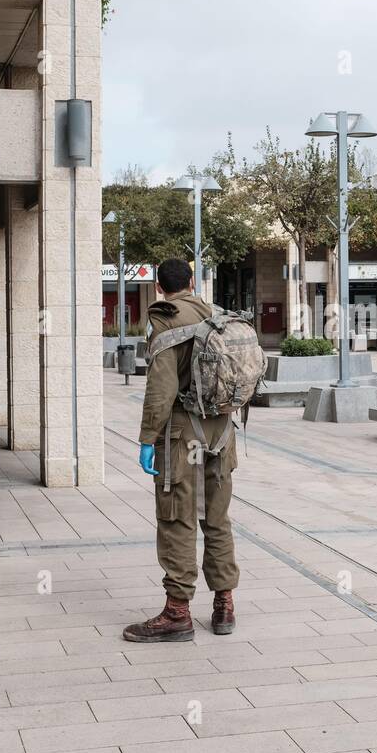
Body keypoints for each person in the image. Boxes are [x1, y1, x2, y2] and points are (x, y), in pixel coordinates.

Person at [125, 258, 239, 643]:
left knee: (177, 517)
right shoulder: (214, 313)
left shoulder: (165, 318)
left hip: (182, 434)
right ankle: (224, 604)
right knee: (217, 517)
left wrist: (146, 438)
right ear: (192, 281)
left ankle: (177, 613)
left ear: (158, 287)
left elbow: (161, 389)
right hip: (222, 432)